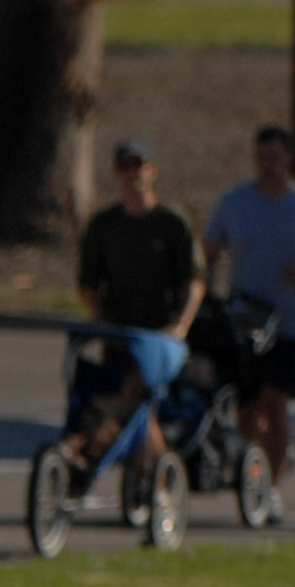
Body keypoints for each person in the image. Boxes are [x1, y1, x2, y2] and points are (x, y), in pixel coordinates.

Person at [204, 124, 295, 506]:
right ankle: (263, 465)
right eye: (262, 157)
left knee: (276, 401)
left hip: (290, 322)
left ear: (289, 158)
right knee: (249, 410)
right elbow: (209, 248)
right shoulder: (234, 203)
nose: (269, 165)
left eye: (276, 157)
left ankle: (271, 491)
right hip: (244, 321)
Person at [71, 139, 204, 470]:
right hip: (120, 334)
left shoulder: (171, 224)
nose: (133, 174)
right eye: (125, 167)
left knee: (137, 394)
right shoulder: (105, 225)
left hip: (159, 336)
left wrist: (180, 326)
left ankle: (141, 471)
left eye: (139, 166)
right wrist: (99, 316)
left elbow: (193, 282)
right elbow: (88, 282)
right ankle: (145, 473)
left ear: (152, 171)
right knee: (115, 402)